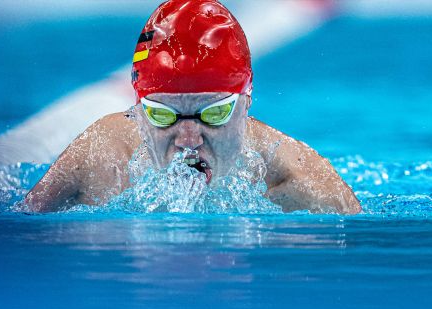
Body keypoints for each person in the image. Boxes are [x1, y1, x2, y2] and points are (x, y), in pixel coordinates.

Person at [25, 0, 361, 214]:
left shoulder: (307, 190)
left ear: (246, 102)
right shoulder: (99, 158)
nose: (188, 139)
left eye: (214, 113)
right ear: (139, 111)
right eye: (162, 114)